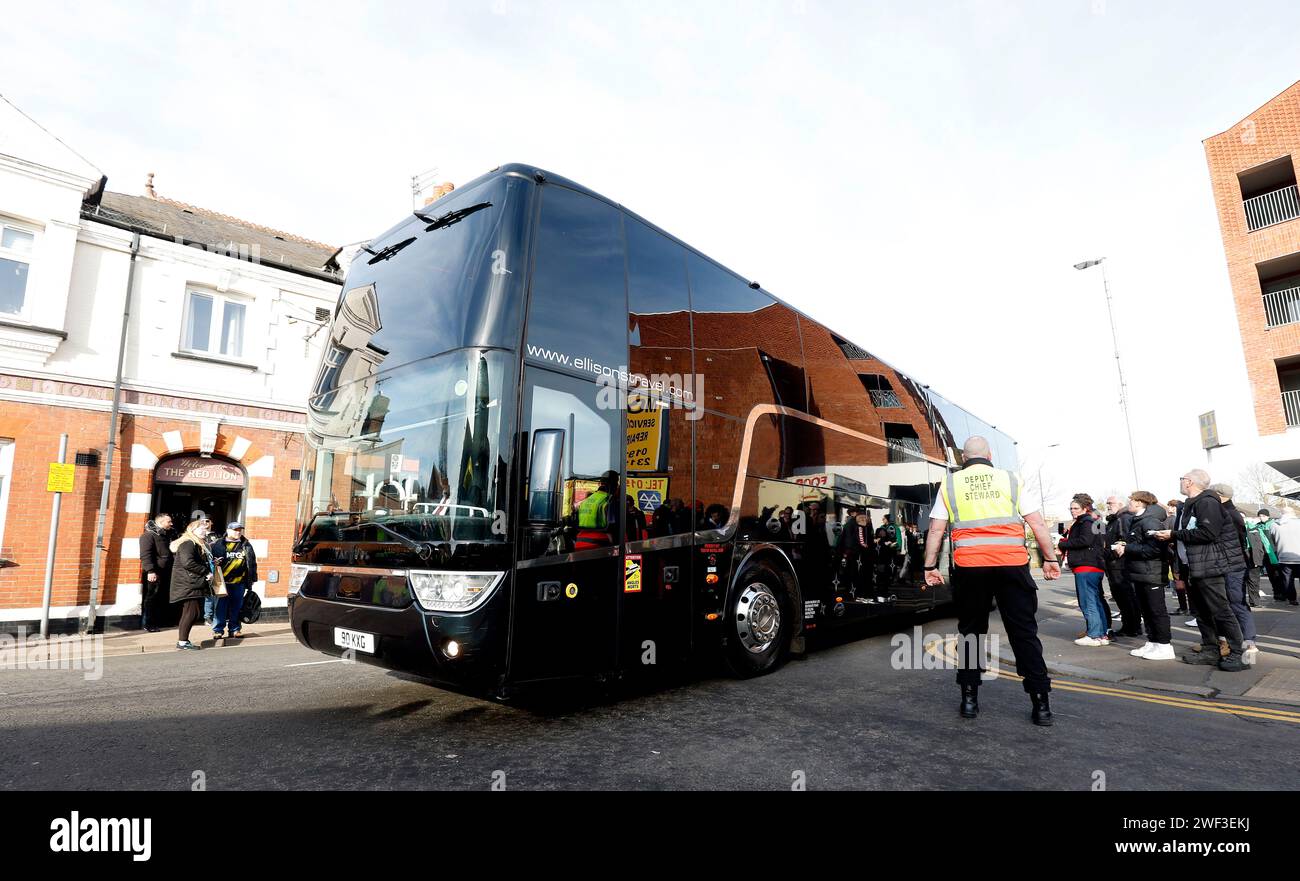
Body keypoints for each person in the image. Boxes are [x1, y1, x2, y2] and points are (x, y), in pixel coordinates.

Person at [922, 436, 1061, 726]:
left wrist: (930, 565)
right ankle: (1041, 705)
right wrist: (1050, 559)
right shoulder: (1011, 480)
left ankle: (969, 700)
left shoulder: (950, 484)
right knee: (1023, 632)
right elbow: (1036, 523)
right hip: (1012, 565)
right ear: (989, 455)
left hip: (971, 568)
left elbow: (936, 529)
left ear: (963, 458)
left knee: (971, 632)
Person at [1151, 470, 1246, 671]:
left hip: (1209, 565)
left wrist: (1174, 534)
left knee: (1221, 610)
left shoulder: (1207, 503)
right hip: (1193, 567)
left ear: (1190, 482)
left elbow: (1208, 532)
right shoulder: (1189, 505)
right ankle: (1210, 649)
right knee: (1201, 611)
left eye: (1182, 478)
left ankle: (1239, 654)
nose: (1180, 481)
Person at [1116, 491, 1175, 660]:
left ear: (1140, 503)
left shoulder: (1150, 521)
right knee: (1147, 610)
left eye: (1131, 500)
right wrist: (1126, 545)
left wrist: (1127, 548)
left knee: (1156, 610)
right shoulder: (1139, 520)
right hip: (1141, 572)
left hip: (1152, 572)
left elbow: (1155, 549)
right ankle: (1153, 642)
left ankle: (1164, 646)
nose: (1129, 503)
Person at [1209, 484, 1259, 665]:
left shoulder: (1229, 514)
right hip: (1232, 564)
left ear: (1219, 495)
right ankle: (1240, 640)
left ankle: (1249, 641)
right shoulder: (1229, 512)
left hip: (1233, 565)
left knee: (1236, 602)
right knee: (1232, 603)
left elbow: (1234, 543)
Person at [1058, 494, 1108, 645]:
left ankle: (1094, 635)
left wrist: (1063, 543)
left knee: (1088, 602)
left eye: (1076, 508)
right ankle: (1101, 634)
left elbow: (1085, 540)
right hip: (1095, 565)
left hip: (1086, 565)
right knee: (1096, 601)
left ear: (1084, 508)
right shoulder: (1094, 522)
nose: (1072, 511)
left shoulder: (1085, 522)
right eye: (1071, 508)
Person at [170, 510, 216, 651]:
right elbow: (188, 563)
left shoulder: (196, 543)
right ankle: (182, 642)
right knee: (191, 613)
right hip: (188, 584)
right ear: (193, 530)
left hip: (191, 583)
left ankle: (183, 641)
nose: (204, 529)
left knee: (192, 613)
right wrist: (206, 571)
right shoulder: (188, 543)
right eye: (201, 528)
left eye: (205, 527)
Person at [210, 521, 258, 640]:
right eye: (235, 530)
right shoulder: (218, 544)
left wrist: (253, 578)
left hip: (239, 583)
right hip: (222, 582)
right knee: (220, 607)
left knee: (236, 607)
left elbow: (252, 562)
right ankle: (218, 630)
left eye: (239, 530)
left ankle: (235, 629)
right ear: (228, 530)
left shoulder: (246, 544)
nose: (238, 532)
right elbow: (210, 562)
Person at [1103, 496, 1141, 638]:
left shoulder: (1123, 518)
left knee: (1126, 597)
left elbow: (1124, 541)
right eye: (1107, 503)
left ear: (1120, 504)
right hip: (1114, 565)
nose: (1107, 505)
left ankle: (1131, 627)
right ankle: (1130, 626)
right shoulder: (1114, 519)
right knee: (1122, 597)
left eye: (1110, 503)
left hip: (1120, 565)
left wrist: (1111, 554)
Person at [138, 512, 174, 633]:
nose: (171, 523)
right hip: (155, 572)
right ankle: (148, 624)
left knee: (160, 597)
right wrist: (150, 571)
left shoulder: (165, 535)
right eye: (169, 521)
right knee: (151, 598)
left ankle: (159, 621)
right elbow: (145, 555)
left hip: (165, 572)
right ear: (161, 522)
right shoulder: (148, 536)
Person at [574, 471, 619, 550]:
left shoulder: (586, 501)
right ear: (614, 484)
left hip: (579, 542)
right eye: (617, 483)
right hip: (599, 544)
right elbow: (614, 527)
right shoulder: (609, 500)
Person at [1266, 506, 1300, 605]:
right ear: (1293, 513)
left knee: (1288, 579)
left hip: (1284, 557)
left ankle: (1292, 599)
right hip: (1298, 555)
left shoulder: (1274, 525)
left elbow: (1272, 540)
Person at [1248, 508, 1283, 601]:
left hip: (1272, 553)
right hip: (1261, 553)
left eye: (1263, 516)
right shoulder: (1257, 526)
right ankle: (1276, 593)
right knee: (1266, 575)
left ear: (1268, 516)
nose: (1261, 518)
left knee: (1275, 575)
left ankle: (1279, 593)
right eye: (1260, 516)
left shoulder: (1273, 525)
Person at [1165, 499, 1190, 615]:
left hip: (1179, 556)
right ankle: (1184, 607)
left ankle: (1186, 608)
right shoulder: (1172, 519)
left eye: (1173, 506)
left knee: (1181, 582)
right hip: (1175, 555)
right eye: (1169, 506)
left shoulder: (1176, 519)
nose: (1170, 508)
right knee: (1179, 581)